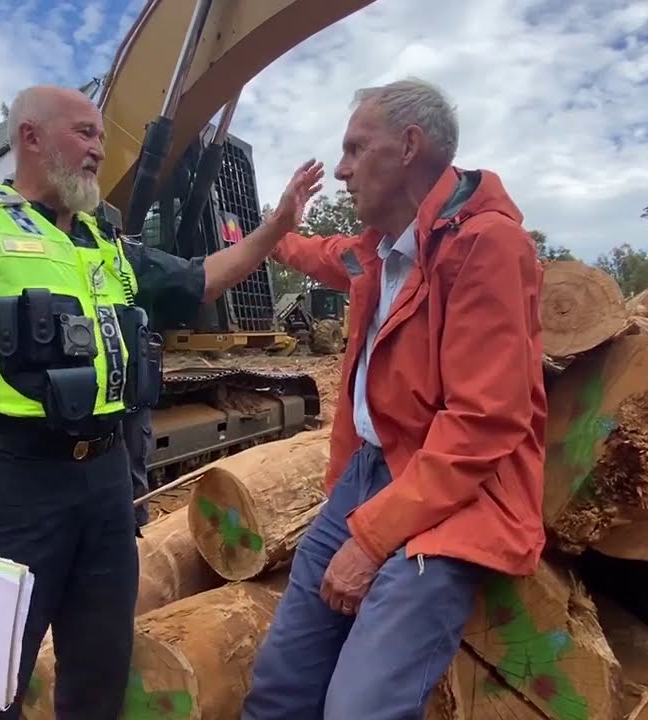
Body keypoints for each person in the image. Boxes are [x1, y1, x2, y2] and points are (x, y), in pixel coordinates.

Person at [0, 83, 323, 720]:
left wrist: (275, 228)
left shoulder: (106, 246)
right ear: (30, 137)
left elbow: (204, 276)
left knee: (100, 669)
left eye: (100, 139)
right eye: (84, 133)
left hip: (106, 483)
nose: (98, 152)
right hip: (7, 483)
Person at [240, 78, 547, 720]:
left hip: (451, 494)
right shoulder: (375, 253)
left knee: (359, 709)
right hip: (364, 477)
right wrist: (272, 227)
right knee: (280, 687)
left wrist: (372, 540)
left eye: (355, 149)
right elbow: (319, 254)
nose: (344, 170)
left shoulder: (486, 246)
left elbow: (484, 423)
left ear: (409, 145)